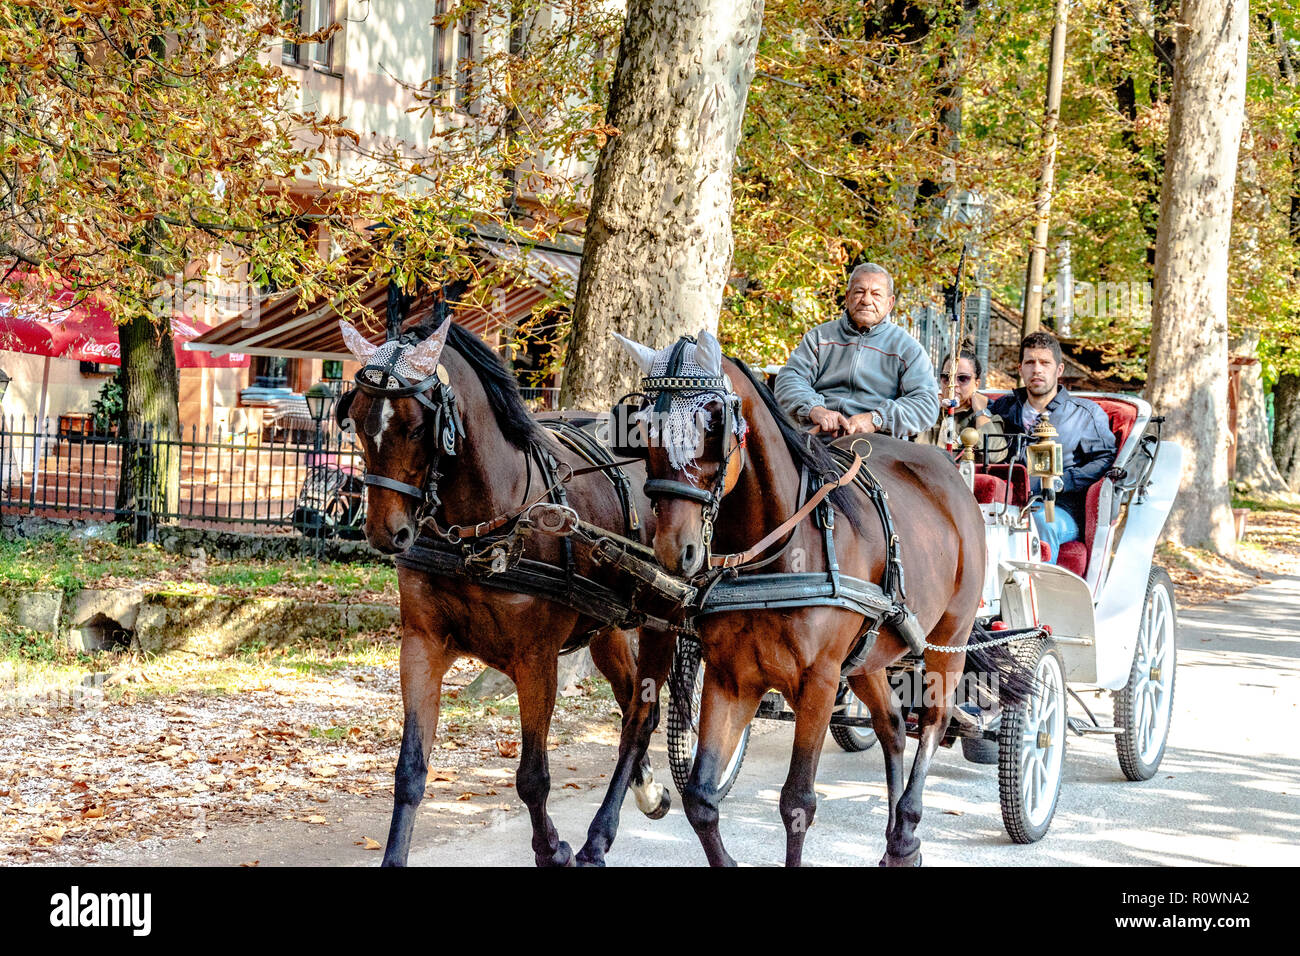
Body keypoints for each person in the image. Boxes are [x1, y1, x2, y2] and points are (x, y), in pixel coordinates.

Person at [989, 330, 1117, 561]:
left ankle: (1038, 594)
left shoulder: (1085, 415)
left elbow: (1105, 460)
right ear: (1020, 369)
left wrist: (1062, 481)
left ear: (1059, 370)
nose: (1037, 369)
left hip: (1059, 509)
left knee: (1039, 521)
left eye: (1044, 362)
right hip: (1005, 504)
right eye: (1030, 362)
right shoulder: (1002, 409)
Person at [774, 262, 939, 438]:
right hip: (816, 438)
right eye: (859, 292)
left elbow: (926, 404)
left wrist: (877, 419)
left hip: (878, 446)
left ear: (890, 303)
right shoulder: (819, 338)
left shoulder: (908, 349)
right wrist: (815, 409)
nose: (866, 300)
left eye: (876, 294)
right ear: (847, 297)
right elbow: (789, 379)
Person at [923, 346, 1009, 463]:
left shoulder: (987, 417)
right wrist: (927, 408)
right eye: (946, 377)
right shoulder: (927, 410)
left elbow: (995, 456)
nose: (952, 384)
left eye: (962, 378)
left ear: (977, 384)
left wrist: (980, 412)